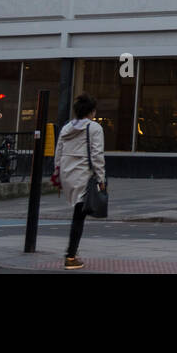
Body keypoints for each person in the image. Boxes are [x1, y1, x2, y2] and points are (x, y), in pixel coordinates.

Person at [53, 93, 106, 270]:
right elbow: (97, 155)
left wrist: (57, 172)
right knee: (79, 216)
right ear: (91, 111)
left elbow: (58, 153)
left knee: (78, 213)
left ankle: (72, 253)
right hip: (83, 174)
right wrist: (101, 178)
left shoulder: (66, 127)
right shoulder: (94, 128)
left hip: (67, 174)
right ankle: (71, 256)